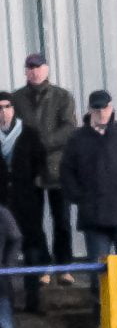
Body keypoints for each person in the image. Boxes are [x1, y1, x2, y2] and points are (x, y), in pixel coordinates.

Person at [60, 91, 117, 263]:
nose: (102, 113)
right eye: (97, 109)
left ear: (111, 108)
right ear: (89, 110)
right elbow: (66, 172)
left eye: (105, 108)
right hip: (93, 216)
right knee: (99, 272)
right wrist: (79, 197)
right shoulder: (77, 138)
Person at [13, 52, 78, 280]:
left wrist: (41, 144)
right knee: (33, 222)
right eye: (30, 67)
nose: (34, 71)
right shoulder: (16, 99)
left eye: (38, 67)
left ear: (47, 69)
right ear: (25, 71)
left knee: (62, 222)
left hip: (58, 169)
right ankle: (42, 266)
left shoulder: (62, 97)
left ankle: (65, 267)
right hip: (29, 172)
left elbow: (69, 127)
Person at [0, 95, 49, 313]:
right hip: (1, 203)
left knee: (32, 250)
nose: (3, 112)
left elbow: (41, 163)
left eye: (7, 107)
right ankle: (7, 302)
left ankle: (33, 299)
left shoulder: (28, 134)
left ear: (14, 109)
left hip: (27, 201)